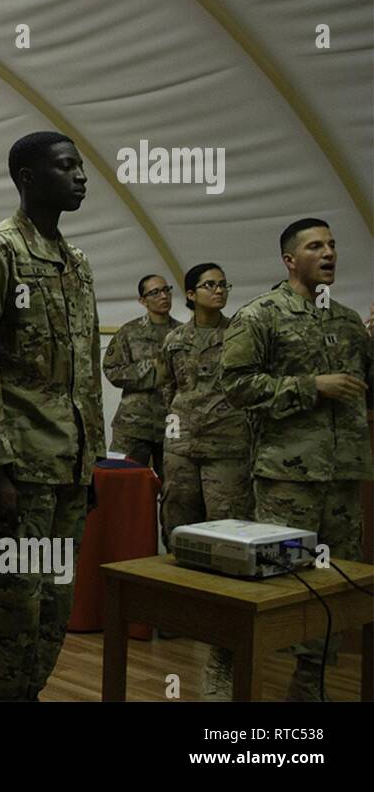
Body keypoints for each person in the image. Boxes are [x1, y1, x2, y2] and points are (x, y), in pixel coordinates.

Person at [0, 131, 104, 702]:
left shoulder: (77, 263)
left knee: (52, 612)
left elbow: (85, 368)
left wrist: (88, 466)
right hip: (16, 471)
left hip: (67, 470)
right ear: (28, 178)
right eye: (67, 167)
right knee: (11, 611)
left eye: (81, 166)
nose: (82, 176)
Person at [222, 218, 372, 701]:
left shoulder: (348, 321)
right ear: (290, 260)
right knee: (279, 587)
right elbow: (237, 386)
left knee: (334, 586)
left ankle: (310, 690)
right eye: (314, 246)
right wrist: (312, 386)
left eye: (332, 244)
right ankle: (235, 684)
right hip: (289, 478)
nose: (328, 253)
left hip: (344, 476)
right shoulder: (260, 315)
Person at [159, 262, 252, 700]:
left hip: (228, 446)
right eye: (210, 285)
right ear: (190, 294)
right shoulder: (174, 338)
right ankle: (183, 614)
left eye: (223, 284)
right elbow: (167, 385)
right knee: (179, 525)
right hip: (182, 445)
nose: (219, 291)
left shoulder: (240, 334)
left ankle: (225, 632)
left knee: (227, 532)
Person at [103, 274, 182, 478]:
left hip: (172, 425)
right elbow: (112, 370)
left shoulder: (182, 333)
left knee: (175, 488)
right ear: (142, 300)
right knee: (121, 484)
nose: (163, 296)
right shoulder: (129, 332)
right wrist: (151, 368)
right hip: (134, 425)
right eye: (155, 292)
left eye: (167, 290)